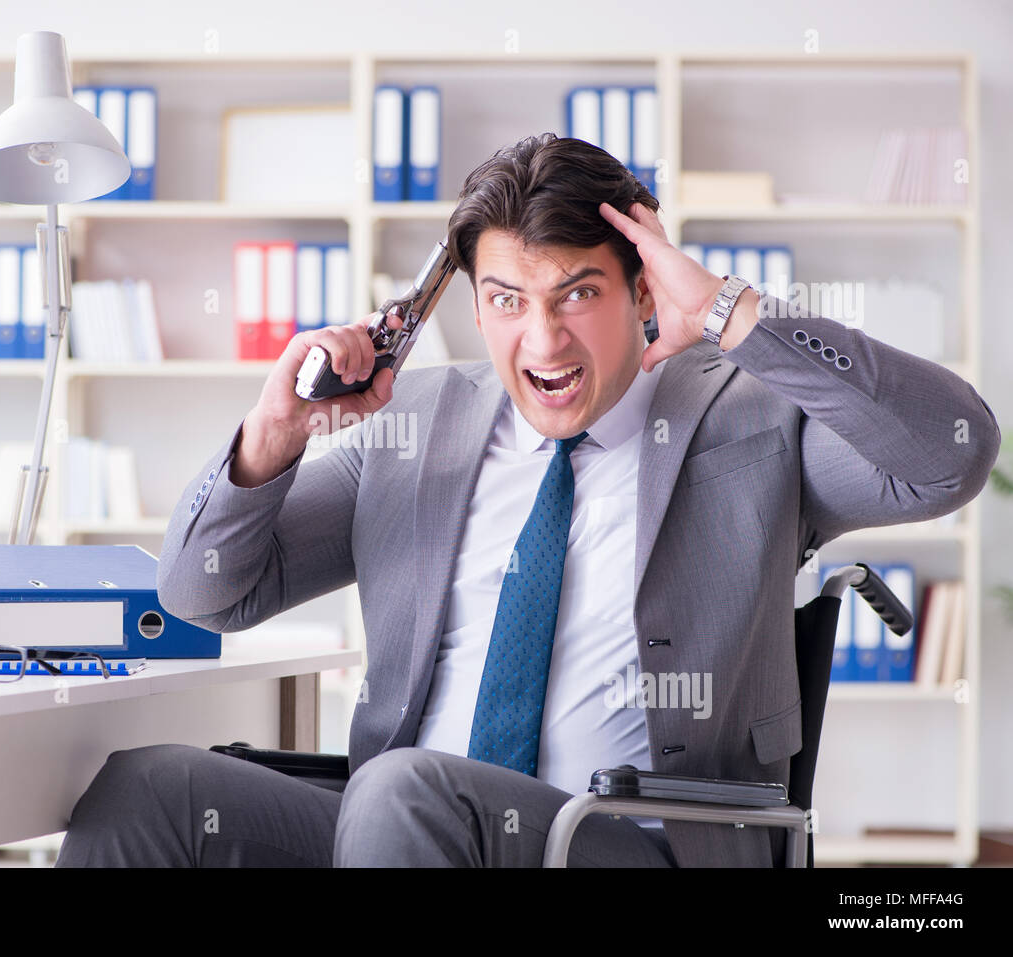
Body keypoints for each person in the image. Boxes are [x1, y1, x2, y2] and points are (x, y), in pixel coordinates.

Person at [55, 132, 1000, 867]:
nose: (542, 341)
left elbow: (949, 454)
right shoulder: (415, 424)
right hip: (401, 828)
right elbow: (201, 593)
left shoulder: (746, 425)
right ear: (472, 304)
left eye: (576, 293)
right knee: (145, 791)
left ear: (643, 289)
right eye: (507, 299)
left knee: (400, 794)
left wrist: (729, 310)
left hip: (629, 837)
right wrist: (271, 437)